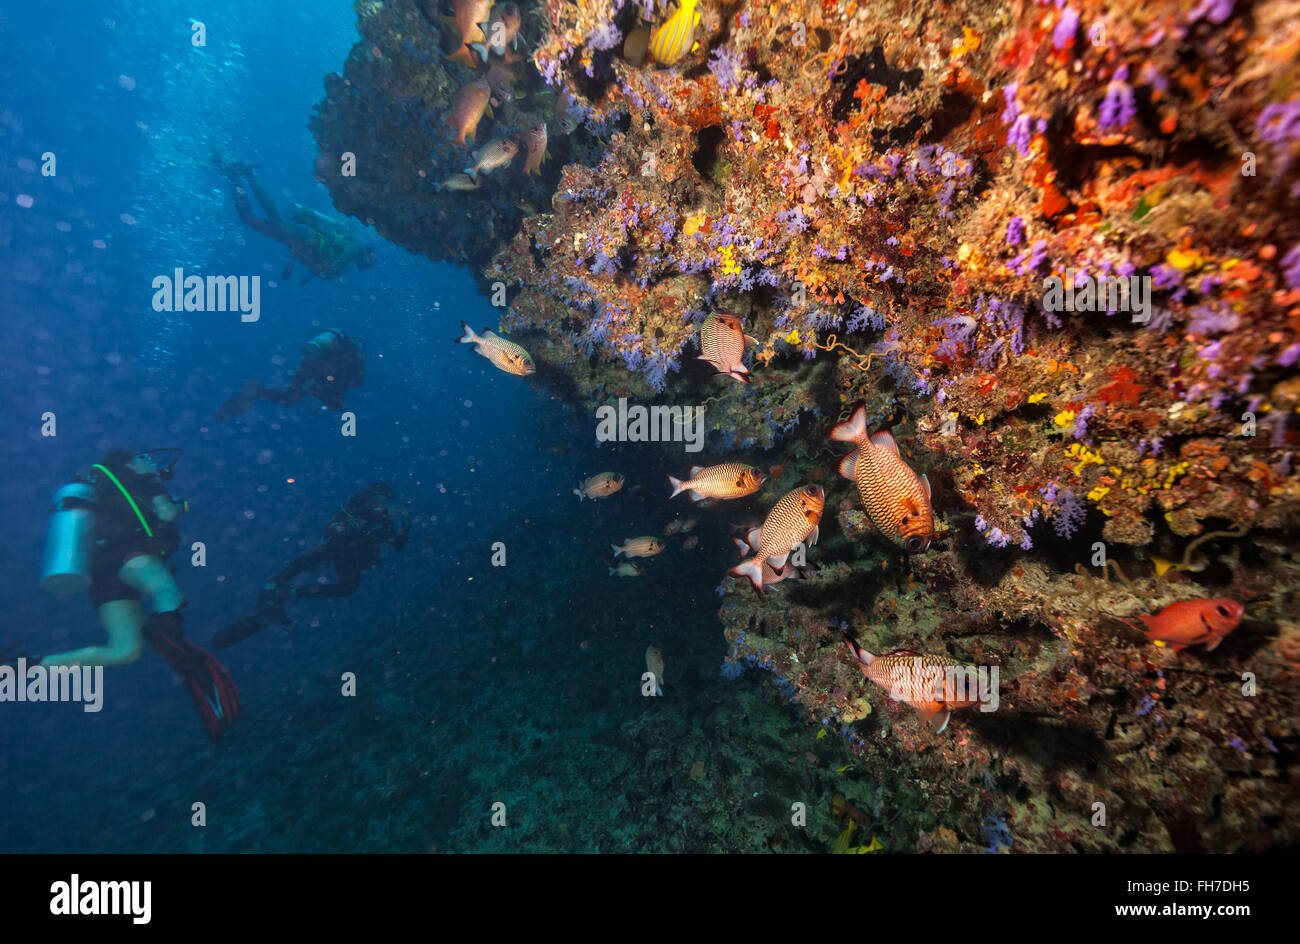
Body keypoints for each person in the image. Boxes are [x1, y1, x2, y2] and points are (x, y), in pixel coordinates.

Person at [32, 450, 240, 739]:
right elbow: (166, 512)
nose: (152, 463)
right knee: (167, 591)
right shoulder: (142, 480)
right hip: (128, 553)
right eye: (145, 459)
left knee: (125, 651)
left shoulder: (101, 492)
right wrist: (178, 499)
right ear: (130, 462)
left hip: (99, 573)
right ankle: (165, 631)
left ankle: (27, 666)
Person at [212, 483, 411, 649]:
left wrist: (405, 525)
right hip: (340, 550)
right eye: (375, 501)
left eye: (383, 502)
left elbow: (398, 545)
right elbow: (332, 536)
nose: (379, 506)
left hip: (354, 559)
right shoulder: (352, 513)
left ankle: (286, 593)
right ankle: (275, 587)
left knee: (347, 587)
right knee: (318, 556)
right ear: (367, 500)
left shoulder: (384, 521)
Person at [217, 156, 376, 282]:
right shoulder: (353, 249)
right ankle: (246, 176)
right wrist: (329, 272)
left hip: (299, 243)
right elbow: (337, 262)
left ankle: (235, 177)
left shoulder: (349, 258)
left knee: (249, 219)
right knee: (272, 220)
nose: (366, 265)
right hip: (305, 239)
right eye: (369, 261)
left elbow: (323, 266)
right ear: (365, 255)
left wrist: (323, 270)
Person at [214, 328, 366, 420]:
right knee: (332, 404)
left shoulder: (343, 352)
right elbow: (358, 379)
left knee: (289, 398)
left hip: (311, 365)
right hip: (316, 370)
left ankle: (257, 390)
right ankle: (257, 390)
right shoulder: (350, 353)